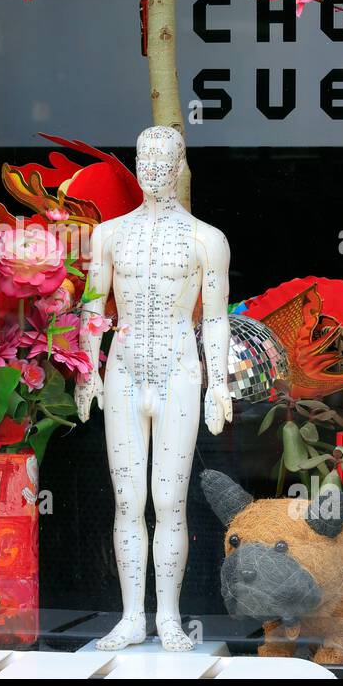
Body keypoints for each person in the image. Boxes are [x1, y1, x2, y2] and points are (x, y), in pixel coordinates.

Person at [76, 126, 233, 652]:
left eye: (164, 161)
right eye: (145, 160)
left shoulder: (206, 239)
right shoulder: (109, 235)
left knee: (168, 499)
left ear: (181, 165)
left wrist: (219, 384)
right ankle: (130, 617)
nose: (154, 171)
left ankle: (167, 614)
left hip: (179, 370)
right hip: (122, 367)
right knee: (127, 500)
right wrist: (85, 369)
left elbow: (214, 320)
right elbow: (93, 308)